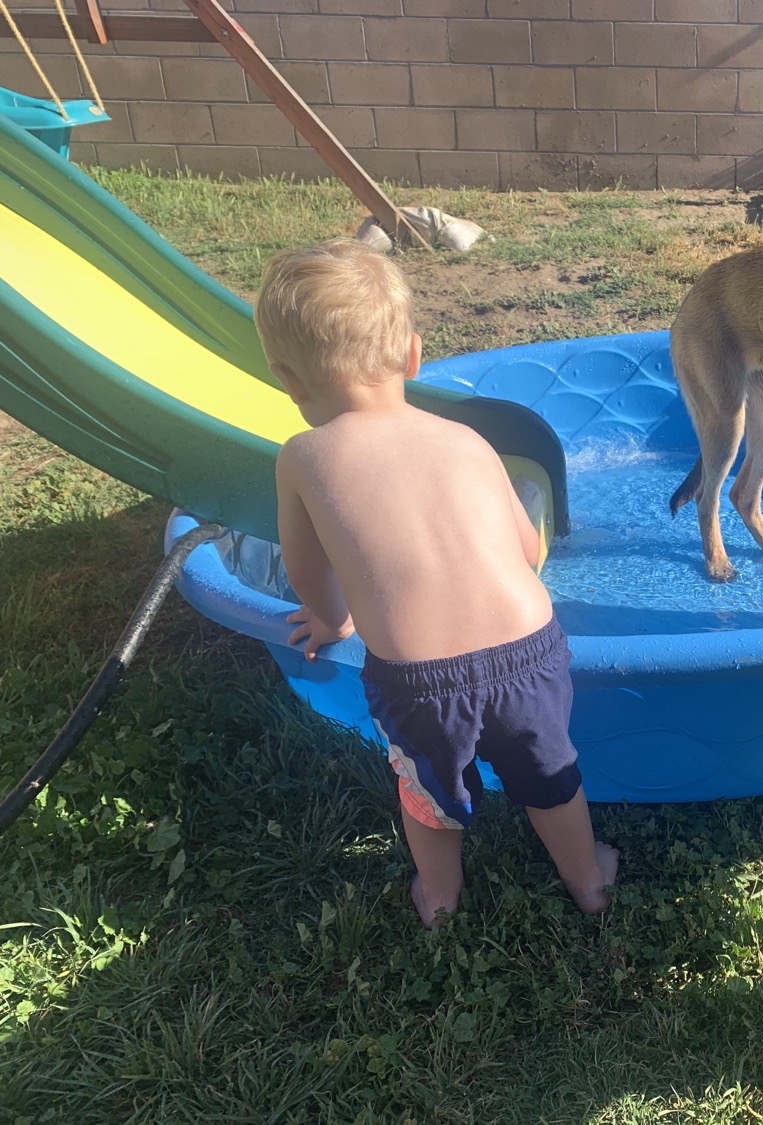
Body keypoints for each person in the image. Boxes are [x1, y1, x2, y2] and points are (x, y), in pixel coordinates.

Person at [255, 239, 617, 927]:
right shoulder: (467, 439)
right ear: (415, 354)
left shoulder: (304, 455)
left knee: (428, 792)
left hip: (420, 679)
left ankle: (441, 900)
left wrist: (331, 620)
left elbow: (305, 568)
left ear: (287, 378)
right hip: (529, 650)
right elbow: (523, 543)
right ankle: (588, 878)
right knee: (550, 778)